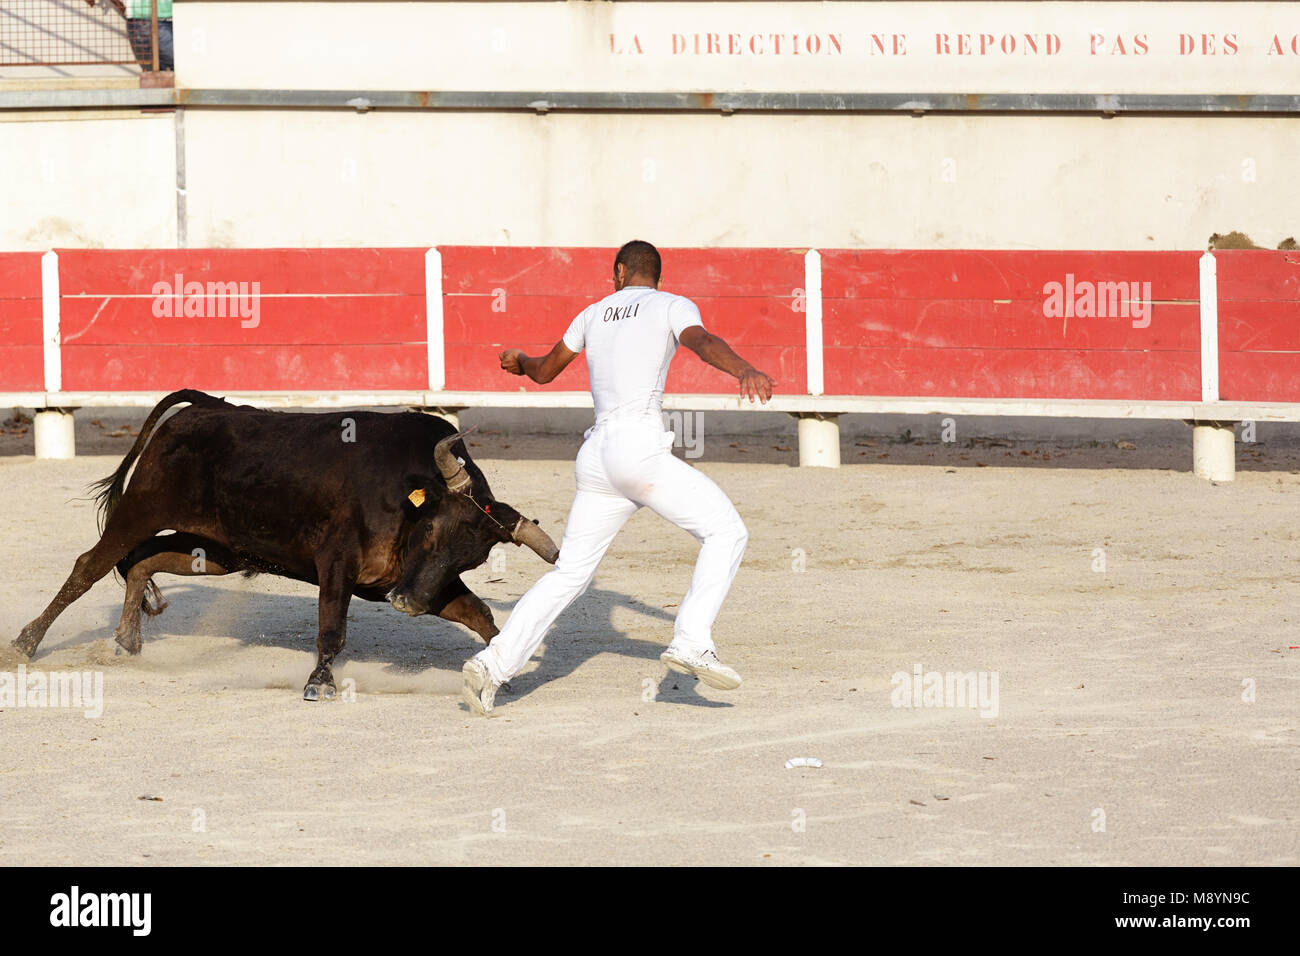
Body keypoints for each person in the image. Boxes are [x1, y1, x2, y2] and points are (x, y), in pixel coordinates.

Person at [462, 240, 776, 716]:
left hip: (596, 457)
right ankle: (691, 640)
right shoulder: (672, 304)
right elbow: (702, 342)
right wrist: (745, 369)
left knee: (569, 573)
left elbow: (545, 372)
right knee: (727, 531)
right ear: (658, 278)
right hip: (638, 451)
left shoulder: (592, 313)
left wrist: (520, 361)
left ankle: (493, 664)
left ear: (619, 272)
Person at [87, 0, 174, 72]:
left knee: (162, 69)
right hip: (145, 19)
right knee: (168, 67)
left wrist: (124, 10)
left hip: (146, 20)